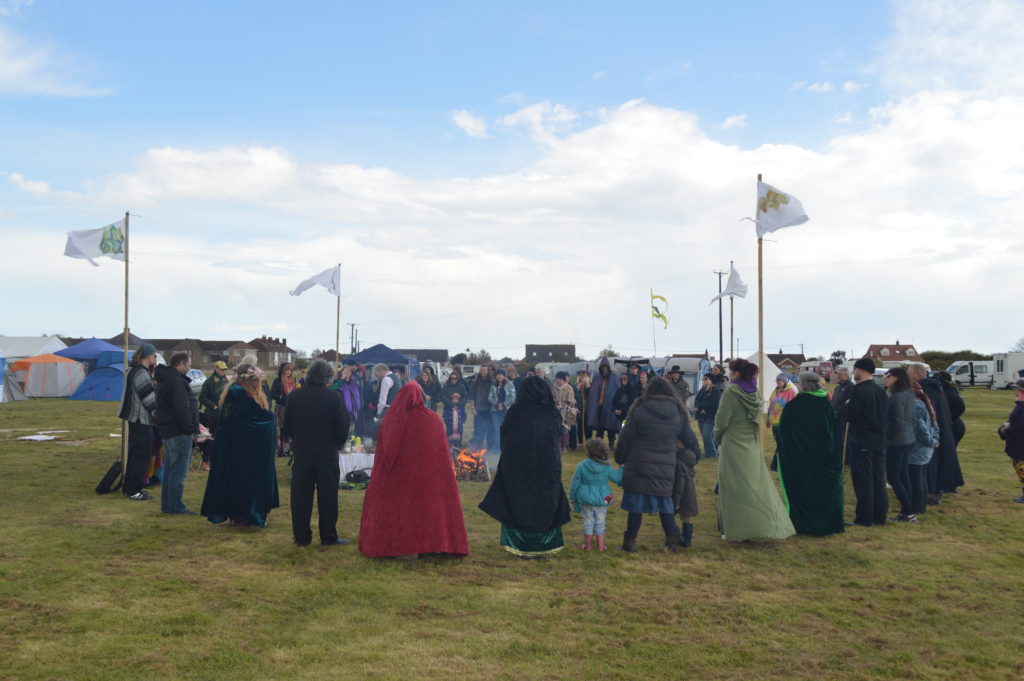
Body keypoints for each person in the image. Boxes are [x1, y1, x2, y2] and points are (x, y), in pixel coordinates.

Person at [359, 382, 469, 558]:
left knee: (397, 510)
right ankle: (430, 547)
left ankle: (390, 547)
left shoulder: (390, 422)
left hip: (399, 477)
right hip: (426, 479)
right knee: (427, 510)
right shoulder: (432, 420)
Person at [479, 376, 571, 558]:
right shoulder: (551, 412)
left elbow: (505, 438)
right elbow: (556, 439)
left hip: (520, 467)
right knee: (543, 503)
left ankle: (521, 543)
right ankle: (543, 544)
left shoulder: (515, 412)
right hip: (546, 467)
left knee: (520, 502)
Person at [616, 376, 702, 551]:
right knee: (665, 506)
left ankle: (630, 542)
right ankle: (672, 541)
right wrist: (694, 457)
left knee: (636, 507)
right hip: (666, 466)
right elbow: (690, 439)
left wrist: (620, 457)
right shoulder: (677, 412)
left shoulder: (639, 409)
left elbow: (626, 438)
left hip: (639, 464)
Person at [714, 358, 795, 542]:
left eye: (729, 370)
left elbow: (721, 420)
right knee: (753, 483)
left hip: (733, 442)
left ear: (735, 373)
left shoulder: (731, 392)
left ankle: (737, 528)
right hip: (751, 442)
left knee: (733, 485)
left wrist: (717, 437)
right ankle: (757, 523)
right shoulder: (756, 392)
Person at [282, 359, 352, 546]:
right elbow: (343, 427)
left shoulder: (294, 396)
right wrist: (337, 444)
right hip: (326, 453)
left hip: (303, 453)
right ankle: (328, 536)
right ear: (327, 378)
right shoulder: (334, 397)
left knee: (300, 498)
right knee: (328, 498)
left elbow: (286, 426)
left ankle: (301, 537)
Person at [200, 361, 279, 528]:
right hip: (251, 452)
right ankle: (248, 514)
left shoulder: (231, 395)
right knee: (250, 481)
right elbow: (265, 420)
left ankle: (236, 516)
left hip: (232, 449)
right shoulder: (245, 398)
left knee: (234, 480)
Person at [776, 372, 845, 536]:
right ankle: (829, 522)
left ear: (804, 384)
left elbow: (785, 429)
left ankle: (806, 524)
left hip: (803, 457)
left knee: (807, 489)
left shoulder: (798, 404)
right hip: (825, 455)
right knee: (824, 491)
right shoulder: (825, 401)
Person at [842, 358, 889, 526]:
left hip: (863, 440)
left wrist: (846, 406)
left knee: (864, 481)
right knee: (878, 479)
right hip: (879, 440)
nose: (853, 373)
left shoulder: (859, 391)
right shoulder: (879, 390)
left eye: (854, 370)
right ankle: (879, 516)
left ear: (860, 370)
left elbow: (849, 414)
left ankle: (864, 518)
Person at [909, 363, 964, 503]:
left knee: (933, 463)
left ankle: (932, 492)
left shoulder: (926, 389)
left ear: (917, 374)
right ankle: (934, 490)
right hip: (941, 430)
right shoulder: (936, 388)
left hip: (932, 433)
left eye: (909, 373)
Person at [154, 352, 200, 515]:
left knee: (170, 471)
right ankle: (175, 506)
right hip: (178, 432)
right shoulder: (177, 382)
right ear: (181, 363)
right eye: (188, 364)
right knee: (178, 472)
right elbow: (182, 409)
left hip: (168, 431)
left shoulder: (166, 380)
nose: (189, 367)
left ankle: (168, 505)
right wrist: (189, 429)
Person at [117, 343, 159, 501]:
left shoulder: (132, 370)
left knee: (135, 454)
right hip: (140, 418)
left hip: (133, 418)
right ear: (147, 356)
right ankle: (134, 491)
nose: (155, 358)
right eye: (154, 355)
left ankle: (129, 487)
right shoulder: (141, 373)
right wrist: (159, 417)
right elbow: (149, 399)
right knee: (142, 455)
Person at [568, 439, 623, 551]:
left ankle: (587, 546)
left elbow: (575, 484)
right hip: (603, 498)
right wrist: (622, 468)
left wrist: (572, 497)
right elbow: (617, 478)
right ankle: (600, 546)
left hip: (585, 498)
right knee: (600, 521)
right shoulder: (607, 466)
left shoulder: (581, 466)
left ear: (588, 451)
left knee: (587, 522)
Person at [883, 367, 918, 523]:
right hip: (908, 438)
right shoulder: (909, 393)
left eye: (888, 375)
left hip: (897, 441)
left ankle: (909, 513)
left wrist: (884, 436)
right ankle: (907, 510)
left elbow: (896, 421)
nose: (885, 378)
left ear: (896, 378)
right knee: (903, 476)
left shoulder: (896, 397)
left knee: (894, 477)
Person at [909, 387, 939, 515]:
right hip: (926, 449)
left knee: (916, 480)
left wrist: (931, 441)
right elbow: (935, 425)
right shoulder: (926, 405)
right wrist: (934, 441)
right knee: (922, 478)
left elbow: (921, 429)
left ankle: (917, 508)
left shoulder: (916, 407)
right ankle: (921, 507)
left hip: (917, 448)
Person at [197, 360, 230, 471]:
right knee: (212, 437)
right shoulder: (209, 382)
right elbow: (202, 397)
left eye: (225, 369)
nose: (223, 371)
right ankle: (208, 460)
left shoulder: (226, 380)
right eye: (221, 369)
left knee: (224, 436)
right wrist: (213, 406)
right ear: (215, 369)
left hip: (225, 413)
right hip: (212, 415)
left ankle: (221, 458)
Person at [998, 378, 1024, 503]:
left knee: (1021, 468)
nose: (1015, 390)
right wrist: (1004, 426)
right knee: (1019, 467)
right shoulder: (1020, 405)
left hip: (1021, 443)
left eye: (1017, 388)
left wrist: (1006, 431)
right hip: (1016, 442)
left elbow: (1021, 426)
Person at [587, 358, 620, 448]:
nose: (604, 369)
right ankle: (599, 445)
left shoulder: (614, 377)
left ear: (608, 367)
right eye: (603, 367)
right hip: (600, 406)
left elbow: (617, 390)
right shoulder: (597, 377)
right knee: (600, 427)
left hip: (610, 406)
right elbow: (593, 390)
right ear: (600, 368)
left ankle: (611, 445)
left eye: (606, 367)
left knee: (611, 426)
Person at [766, 373, 797, 469]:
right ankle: (778, 464)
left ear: (785, 381)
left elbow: (794, 407)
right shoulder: (775, 392)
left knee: (782, 444)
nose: (778, 381)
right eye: (777, 380)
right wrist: (768, 419)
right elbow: (770, 406)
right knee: (780, 444)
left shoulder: (790, 392)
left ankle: (775, 465)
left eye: (781, 380)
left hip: (783, 423)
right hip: (774, 423)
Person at [270, 362, 296, 457]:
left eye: (290, 370)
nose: (288, 372)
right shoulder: (277, 381)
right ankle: (280, 450)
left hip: (290, 408)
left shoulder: (293, 380)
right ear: (283, 371)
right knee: (280, 430)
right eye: (287, 370)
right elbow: (272, 394)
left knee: (289, 429)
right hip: (280, 408)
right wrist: (280, 397)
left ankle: (288, 449)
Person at [488, 369, 517, 453]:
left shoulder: (510, 384)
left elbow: (513, 398)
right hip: (495, 411)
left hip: (506, 411)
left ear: (504, 376)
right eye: (498, 375)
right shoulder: (493, 385)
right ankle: (497, 448)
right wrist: (496, 404)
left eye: (501, 375)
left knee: (506, 429)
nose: (499, 376)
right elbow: (489, 398)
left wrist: (504, 404)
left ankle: (507, 447)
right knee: (497, 429)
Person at [331, 364, 362, 438]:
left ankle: (350, 441)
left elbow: (357, 395)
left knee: (351, 427)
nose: (347, 372)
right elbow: (333, 389)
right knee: (342, 426)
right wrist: (342, 379)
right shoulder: (338, 382)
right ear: (341, 372)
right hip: (342, 408)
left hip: (353, 410)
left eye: (349, 371)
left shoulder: (353, 382)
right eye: (345, 371)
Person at [694, 373, 721, 459]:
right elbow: (697, 399)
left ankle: (713, 453)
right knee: (704, 435)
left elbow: (714, 403)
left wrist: (702, 407)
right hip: (700, 415)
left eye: (706, 379)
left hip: (710, 416)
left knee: (707, 435)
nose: (704, 380)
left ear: (711, 380)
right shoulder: (702, 389)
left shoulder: (715, 390)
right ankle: (707, 453)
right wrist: (699, 407)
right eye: (703, 379)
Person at [938, 370, 966, 448]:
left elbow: (959, 406)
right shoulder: (952, 390)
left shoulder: (945, 393)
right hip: (956, 424)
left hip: (952, 425)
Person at [469, 366, 494, 451]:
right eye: (482, 370)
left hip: (489, 410)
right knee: (478, 429)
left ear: (487, 371)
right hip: (478, 409)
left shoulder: (492, 382)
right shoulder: (475, 382)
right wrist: (472, 407)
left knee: (490, 429)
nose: (483, 371)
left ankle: (490, 446)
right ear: (480, 371)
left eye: (485, 370)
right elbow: (471, 396)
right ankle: (477, 446)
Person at [553, 371, 577, 453]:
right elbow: (552, 398)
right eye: (557, 379)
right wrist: (555, 405)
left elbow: (571, 399)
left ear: (563, 380)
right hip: (556, 411)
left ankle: (564, 447)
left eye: (560, 379)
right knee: (557, 430)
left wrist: (563, 405)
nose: (558, 381)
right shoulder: (553, 388)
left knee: (565, 430)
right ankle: (558, 447)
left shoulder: (569, 388)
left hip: (567, 411)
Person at [832, 367, 854, 455]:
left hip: (844, 419)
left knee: (844, 438)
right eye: (837, 374)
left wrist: (837, 413)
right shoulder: (837, 387)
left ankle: (846, 457)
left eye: (840, 374)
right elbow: (833, 401)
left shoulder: (851, 387)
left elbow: (847, 403)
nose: (838, 376)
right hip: (835, 418)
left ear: (846, 375)